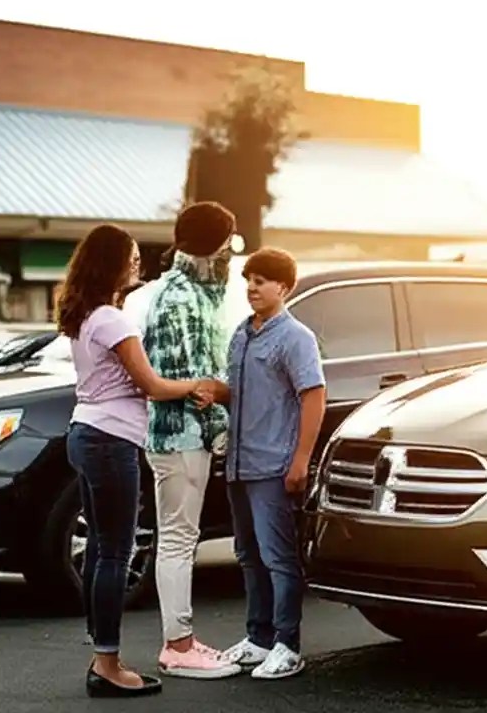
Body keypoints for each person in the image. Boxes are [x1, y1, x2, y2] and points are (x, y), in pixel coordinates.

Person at [56, 224, 206, 698]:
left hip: (85, 433)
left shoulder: (86, 315)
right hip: (109, 440)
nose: (139, 262)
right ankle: (108, 664)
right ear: (111, 262)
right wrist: (202, 386)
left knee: (101, 548)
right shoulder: (113, 320)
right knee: (116, 552)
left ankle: (102, 652)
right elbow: (153, 385)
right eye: (133, 256)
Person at [124, 202, 242, 679]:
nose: (233, 253)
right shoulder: (182, 299)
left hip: (175, 437)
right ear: (215, 244)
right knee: (177, 540)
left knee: (178, 538)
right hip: (181, 438)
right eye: (229, 241)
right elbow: (194, 383)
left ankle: (183, 641)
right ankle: (178, 647)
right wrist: (222, 434)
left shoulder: (183, 290)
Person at [199, 247, 325, 680]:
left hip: (274, 465)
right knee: (248, 555)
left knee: (278, 558)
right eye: (248, 279)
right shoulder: (241, 333)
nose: (251, 287)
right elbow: (246, 392)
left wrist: (300, 461)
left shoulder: (296, 338)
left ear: (284, 288)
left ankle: (287, 645)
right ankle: (258, 639)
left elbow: (313, 396)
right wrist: (218, 392)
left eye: (262, 280)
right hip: (238, 463)